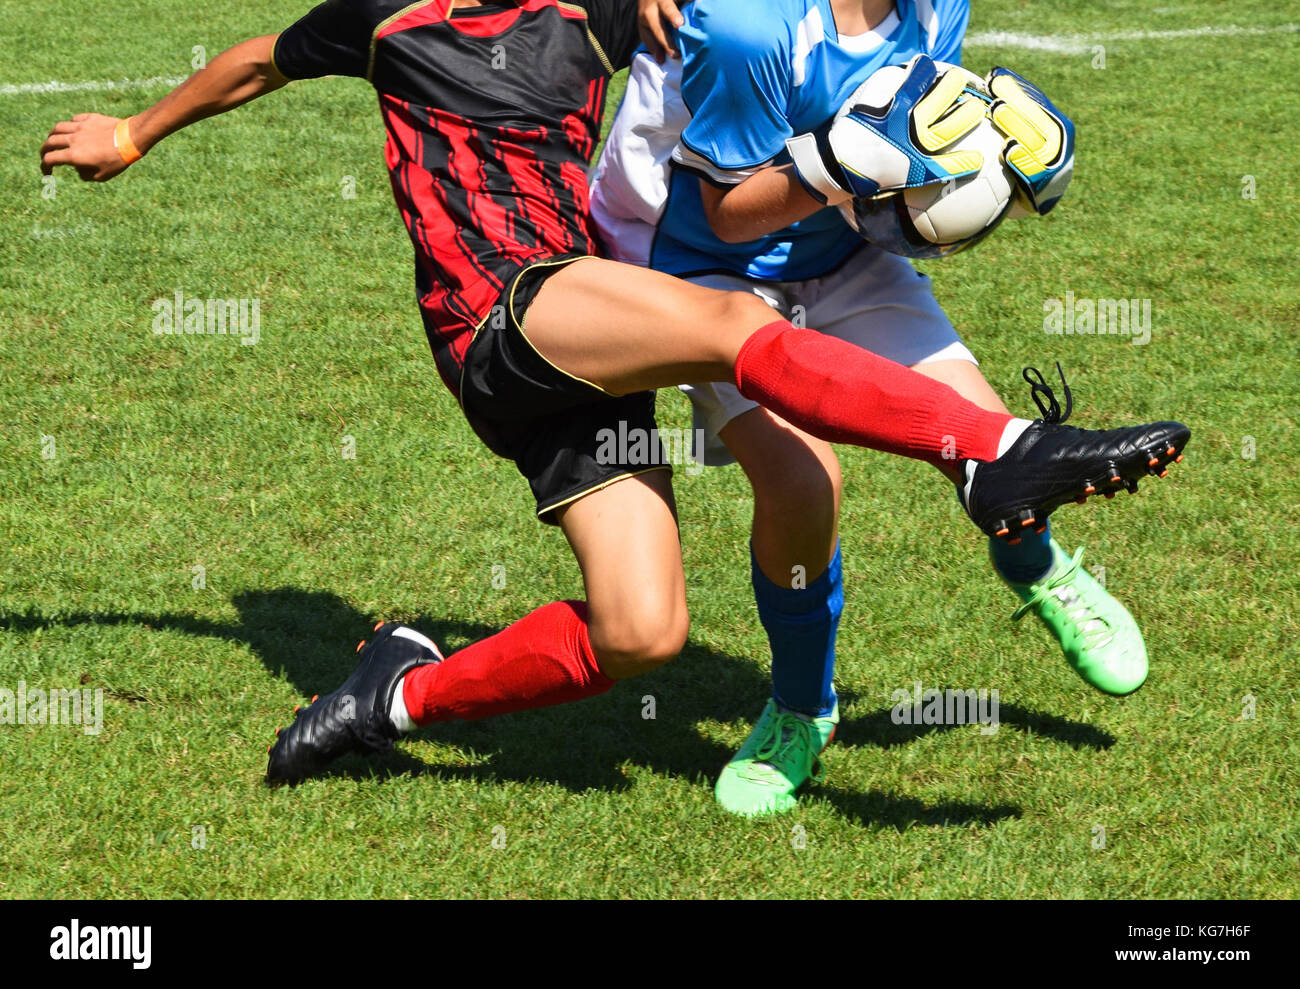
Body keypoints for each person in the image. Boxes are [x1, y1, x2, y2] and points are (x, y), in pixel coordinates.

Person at [39, 0, 1188, 789]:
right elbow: (261, 57)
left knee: (644, 633)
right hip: (505, 310)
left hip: (587, 334)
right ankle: (993, 455)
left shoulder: (592, 12)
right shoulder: (388, 19)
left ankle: (394, 693)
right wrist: (132, 133)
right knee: (742, 341)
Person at [589, 0, 1166, 815]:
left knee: (993, 442)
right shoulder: (749, 24)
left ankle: (1036, 565)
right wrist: (839, 165)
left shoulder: (938, 7)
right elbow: (725, 213)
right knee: (801, 480)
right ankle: (800, 708)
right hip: (695, 262)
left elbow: (908, 178)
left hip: (843, 256)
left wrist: (986, 171)